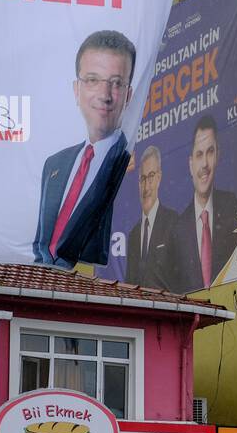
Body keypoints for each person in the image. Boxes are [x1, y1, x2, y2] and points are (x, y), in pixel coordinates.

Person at [33, 29, 135, 268]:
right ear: (76, 90)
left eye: (116, 83)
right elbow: (41, 244)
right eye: (92, 80)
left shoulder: (127, 162)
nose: (105, 95)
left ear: (128, 96)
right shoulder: (55, 164)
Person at [166, 116, 237, 292]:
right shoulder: (178, 229)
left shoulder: (231, 207)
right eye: (199, 154)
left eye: (210, 152)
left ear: (218, 155)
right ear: (191, 164)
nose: (205, 164)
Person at [125, 145, 177, 289]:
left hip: (167, 308)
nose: (146, 186)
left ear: (159, 178)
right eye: (142, 178)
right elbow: (129, 284)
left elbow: (180, 277)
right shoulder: (133, 235)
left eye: (151, 176)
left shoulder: (173, 222)